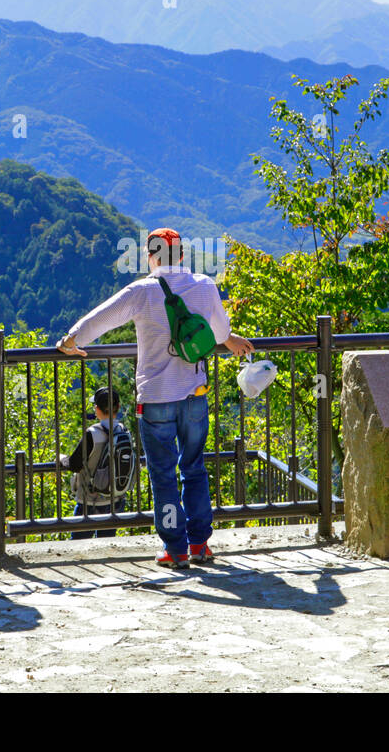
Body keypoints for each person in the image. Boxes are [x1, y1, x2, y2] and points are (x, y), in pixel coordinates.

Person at [57, 227, 253, 568]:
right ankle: (200, 545)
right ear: (181, 255)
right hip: (194, 395)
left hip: (156, 400)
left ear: (150, 256)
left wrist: (70, 340)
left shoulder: (142, 291)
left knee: (163, 475)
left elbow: (100, 319)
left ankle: (174, 549)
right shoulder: (205, 286)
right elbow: (220, 334)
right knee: (193, 469)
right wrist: (232, 337)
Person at [61, 386, 130, 540]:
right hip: (116, 499)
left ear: (97, 409)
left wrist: (61, 458)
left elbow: (74, 464)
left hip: (89, 501)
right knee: (106, 542)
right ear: (118, 407)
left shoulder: (92, 434)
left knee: (78, 543)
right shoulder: (124, 431)